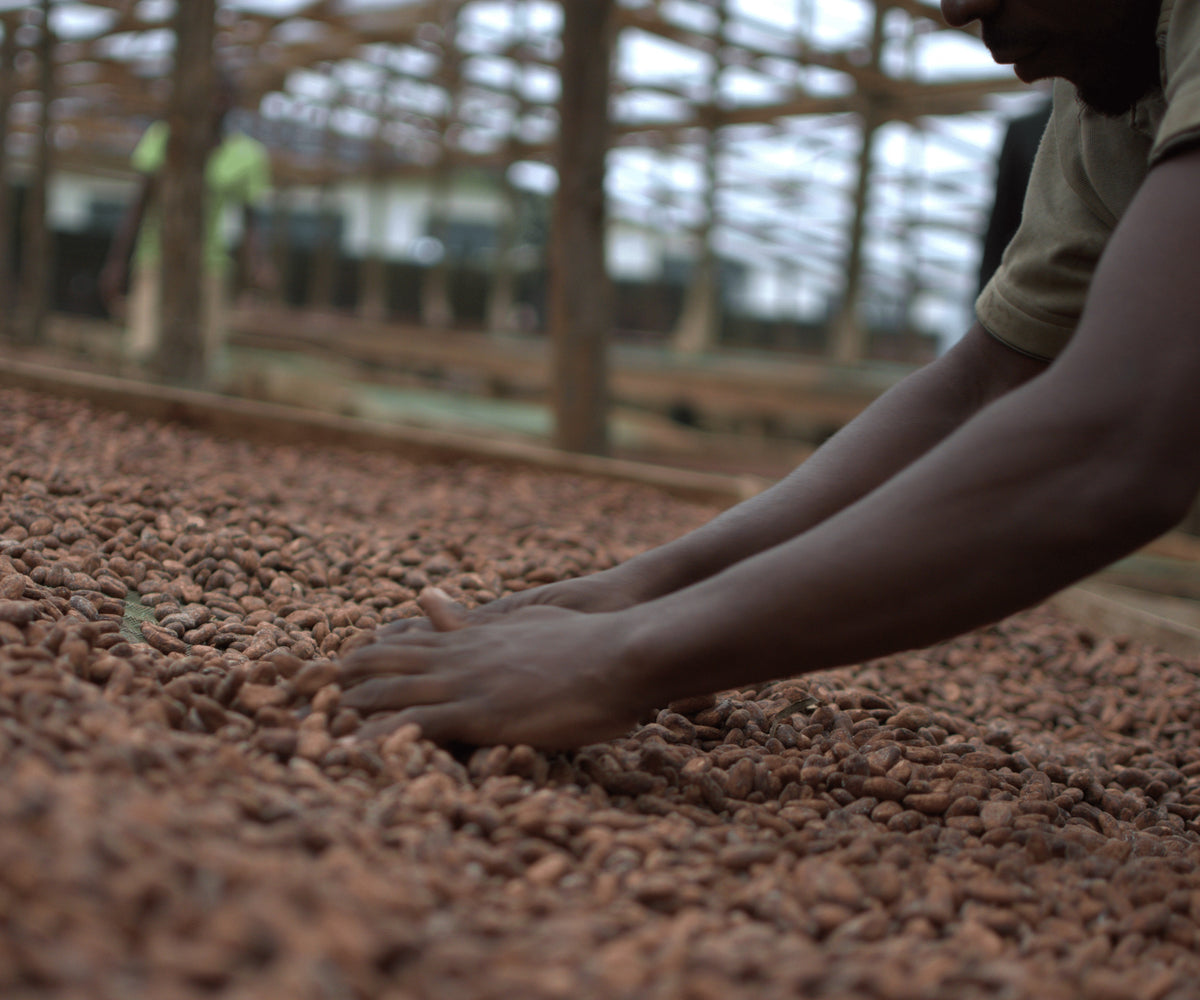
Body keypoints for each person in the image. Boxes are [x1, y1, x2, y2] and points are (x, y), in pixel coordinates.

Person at [339, 0, 1200, 751]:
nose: (959, 6)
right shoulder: (1108, 98)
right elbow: (988, 381)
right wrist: (635, 589)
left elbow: (1117, 438)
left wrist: (623, 660)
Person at [99, 75, 274, 381]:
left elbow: (251, 220)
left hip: (210, 263)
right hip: (157, 256)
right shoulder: (163, 138)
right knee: (144, 346)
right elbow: (140, 203)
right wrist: (117, 262)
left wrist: (257, 265)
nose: (217, 102)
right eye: (211, 94)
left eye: (225, 95)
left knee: (204, 352)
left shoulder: (248, 155)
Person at [977, 94, 1053, 293]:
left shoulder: (1025, 131)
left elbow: (999, 224)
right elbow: (1001, 220)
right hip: (1033, 280)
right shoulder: (1025, 131)